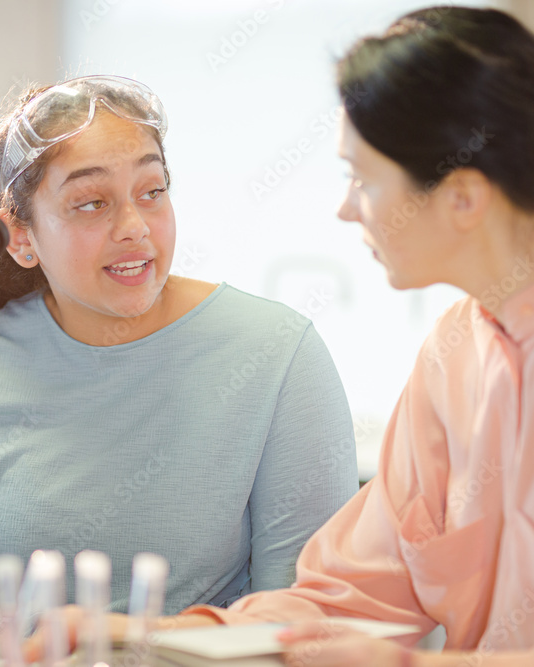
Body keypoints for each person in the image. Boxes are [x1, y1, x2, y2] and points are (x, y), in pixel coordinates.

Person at [34, 8, 534, 666]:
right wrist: (141, 632)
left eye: (363, 179)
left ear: (463, 197)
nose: (345, 206)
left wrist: (407, 664)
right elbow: (347, 595)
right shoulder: (457, 351)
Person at [0, 75, 359, 628]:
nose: (134, 228)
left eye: (152, 191)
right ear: (21, 237)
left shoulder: (277, 355)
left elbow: (307, 620)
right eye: (91, 202)